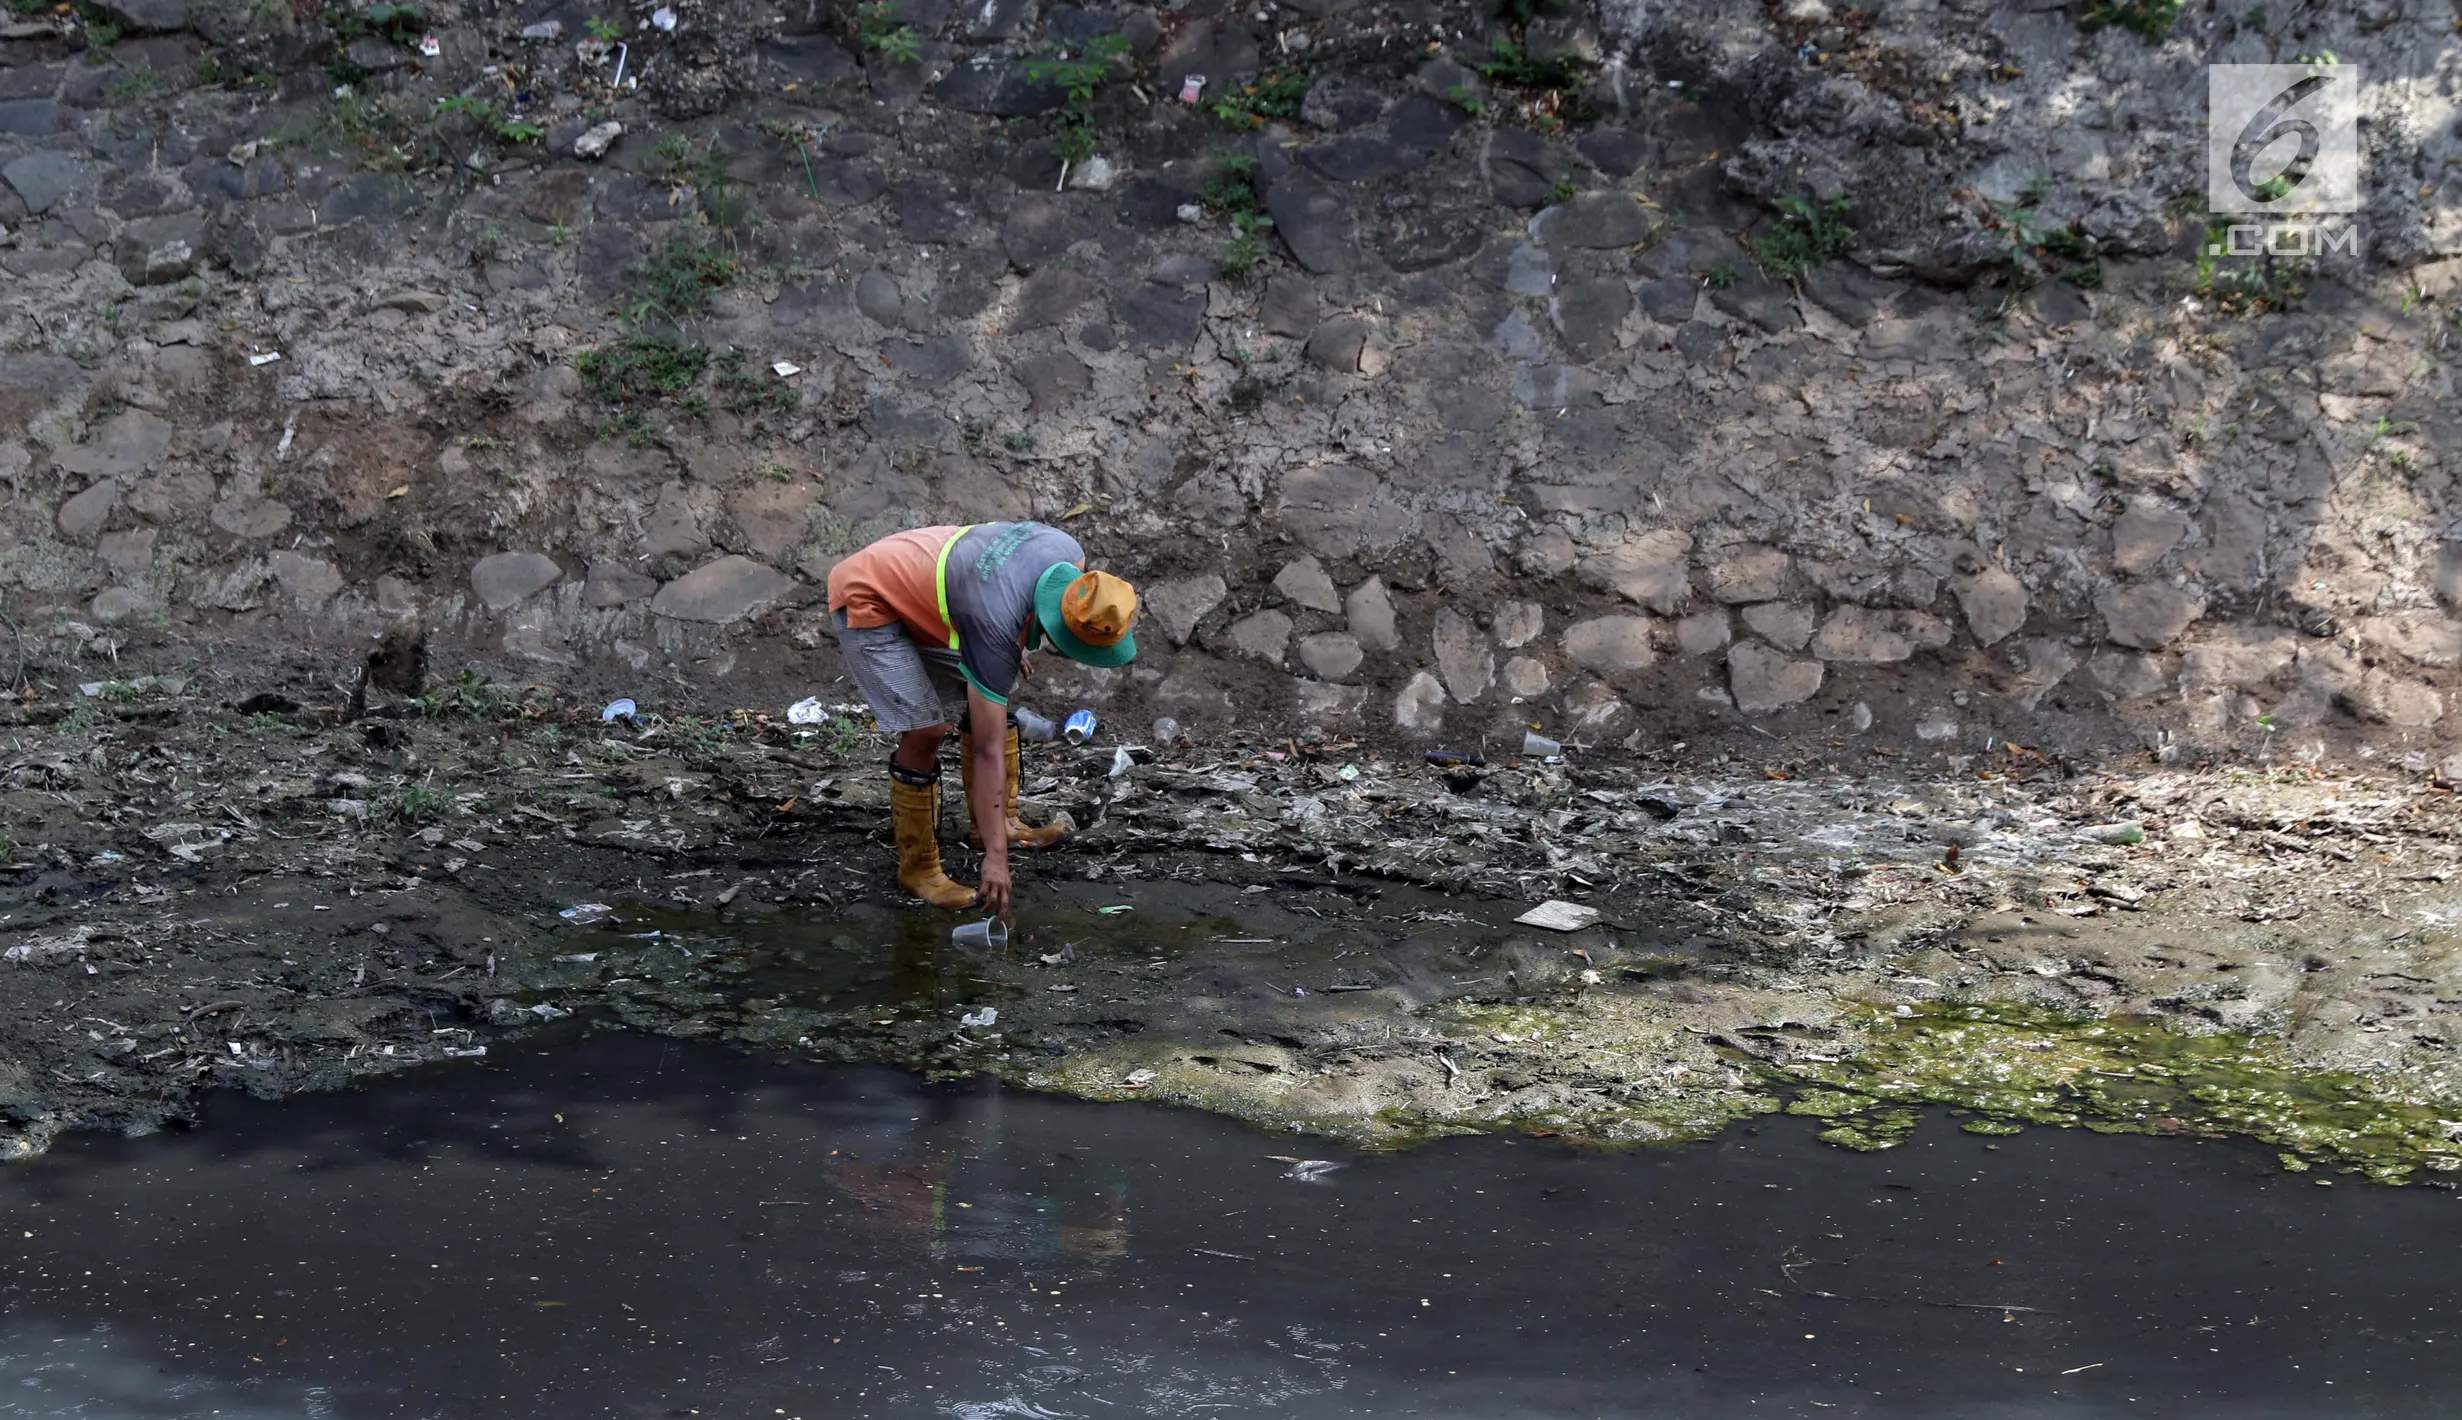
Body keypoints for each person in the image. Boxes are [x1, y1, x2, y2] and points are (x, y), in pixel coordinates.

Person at [825, 522, 1138, 919]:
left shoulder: (1066, 550)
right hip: (870, 594)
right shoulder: (995, 616)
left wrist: (1006, 641)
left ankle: (997, 823)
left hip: (932, 580)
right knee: (926, 729)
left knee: (993, 689)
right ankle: (918, 869)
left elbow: (1005, 587)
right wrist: (996, 861)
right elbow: (988, 751)